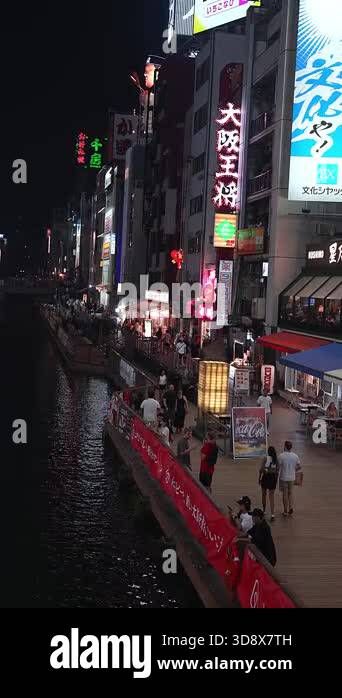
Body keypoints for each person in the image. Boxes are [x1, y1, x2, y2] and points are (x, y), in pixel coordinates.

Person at [278, 441, 302, 517]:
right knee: (290, 493)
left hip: (283, 477)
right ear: (291, 447)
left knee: (284, 494)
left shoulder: (281, 456)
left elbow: (278, 467)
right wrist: (293, 469)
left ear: (285, 446)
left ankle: (285, 510)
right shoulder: (295, 456)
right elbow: (299, 466)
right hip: (292, 477)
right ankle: (291, 507)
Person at [259, 446, 279, 521]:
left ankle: (264, 511)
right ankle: (272, 514)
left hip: (265, 477)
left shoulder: (265, 458)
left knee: (264, 495)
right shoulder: (276, 460)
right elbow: (278, 470)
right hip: (273, 478)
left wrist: (259, 478)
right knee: (271, 497)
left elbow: (261, 469)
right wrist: (276, 479)